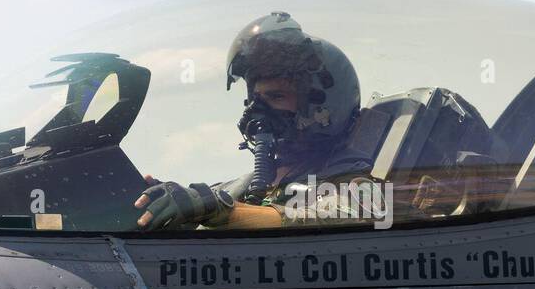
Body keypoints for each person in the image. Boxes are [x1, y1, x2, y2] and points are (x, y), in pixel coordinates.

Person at [134, 12, 376, 230]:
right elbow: (206, 204)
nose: (257, 111)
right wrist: (167, 201)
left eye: (276, 96)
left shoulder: (358, 185)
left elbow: (316, 218)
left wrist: (222, 212)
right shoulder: (252, 185)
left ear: (322, 108)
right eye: (255, 98)